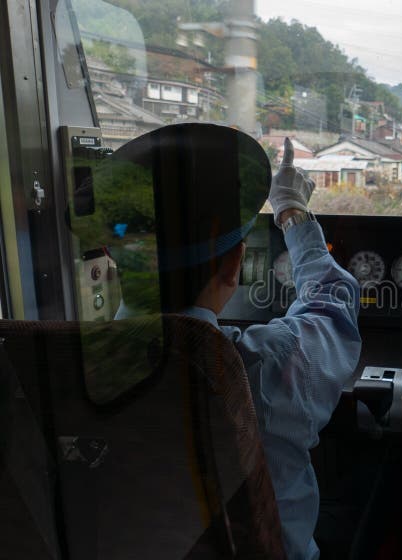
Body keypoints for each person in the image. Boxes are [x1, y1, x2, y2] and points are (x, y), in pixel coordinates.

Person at [73, 124, 361, 559]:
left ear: (114, 258)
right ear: (234, 266)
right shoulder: (263, 365)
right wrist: (290, 208)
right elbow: (332, 310)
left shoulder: (64, 364)